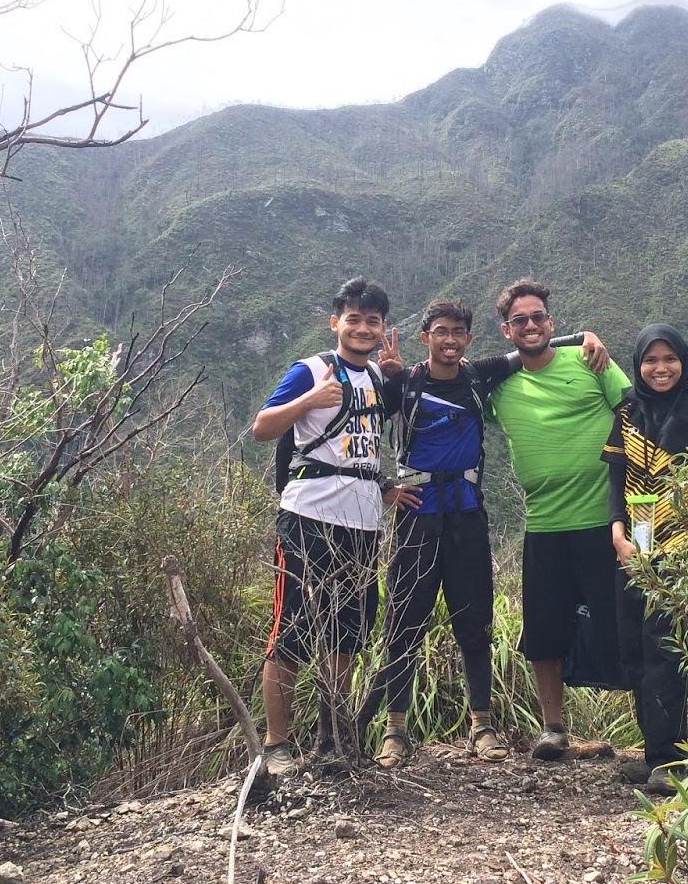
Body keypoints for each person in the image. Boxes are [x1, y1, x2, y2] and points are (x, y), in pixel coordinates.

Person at [373, 300, 607, 769]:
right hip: (417, 516)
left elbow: (535, 345)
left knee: (474, 621)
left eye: (459, 332)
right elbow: (355, 433)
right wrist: (383, 486)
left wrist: (586, 337)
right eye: (441, 331)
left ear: (469, 338)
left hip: (467, 514)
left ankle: (482, 725)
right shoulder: (405, 384)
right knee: (405, 621)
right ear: (425, 338)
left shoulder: (479, 375)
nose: (450, 340)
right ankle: (395, 729)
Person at [249, 276, 404, 775]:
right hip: (306, 517)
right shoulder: (310, 370)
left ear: (383, 328)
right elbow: (262, 427)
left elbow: (361, 447)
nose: (363, 329)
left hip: (363, 522)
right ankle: (276, 745)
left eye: (372, 321)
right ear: (335, 322)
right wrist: (309, 401)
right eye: (353, 319)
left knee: (345, 634)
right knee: (290, 628)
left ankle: (332, 739)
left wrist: (385, 488)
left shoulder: (377, 376)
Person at [485, 279, 632, 760]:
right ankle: (553, 729)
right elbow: (452, 382)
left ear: (551, 321)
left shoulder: (588, 360)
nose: (531, 325)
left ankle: (653, 730)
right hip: (545, 523)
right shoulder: (499, 386)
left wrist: (586, 337)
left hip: (607, 520)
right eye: (520, 320)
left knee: (626, 623)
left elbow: (634, 410)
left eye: (538, 317)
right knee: (544, 630)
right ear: (507, 330)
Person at [602, 324, 688, 795]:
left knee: (665, 649)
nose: (661, 369)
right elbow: (616, 478)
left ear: (684, 361)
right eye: (651, 360)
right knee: (635, 648)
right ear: (638, 364)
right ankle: (654, 752)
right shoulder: (628, 410)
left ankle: (672, 760)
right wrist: (616, 532)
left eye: (669, 359)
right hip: (634, 548)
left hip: (685, 548)